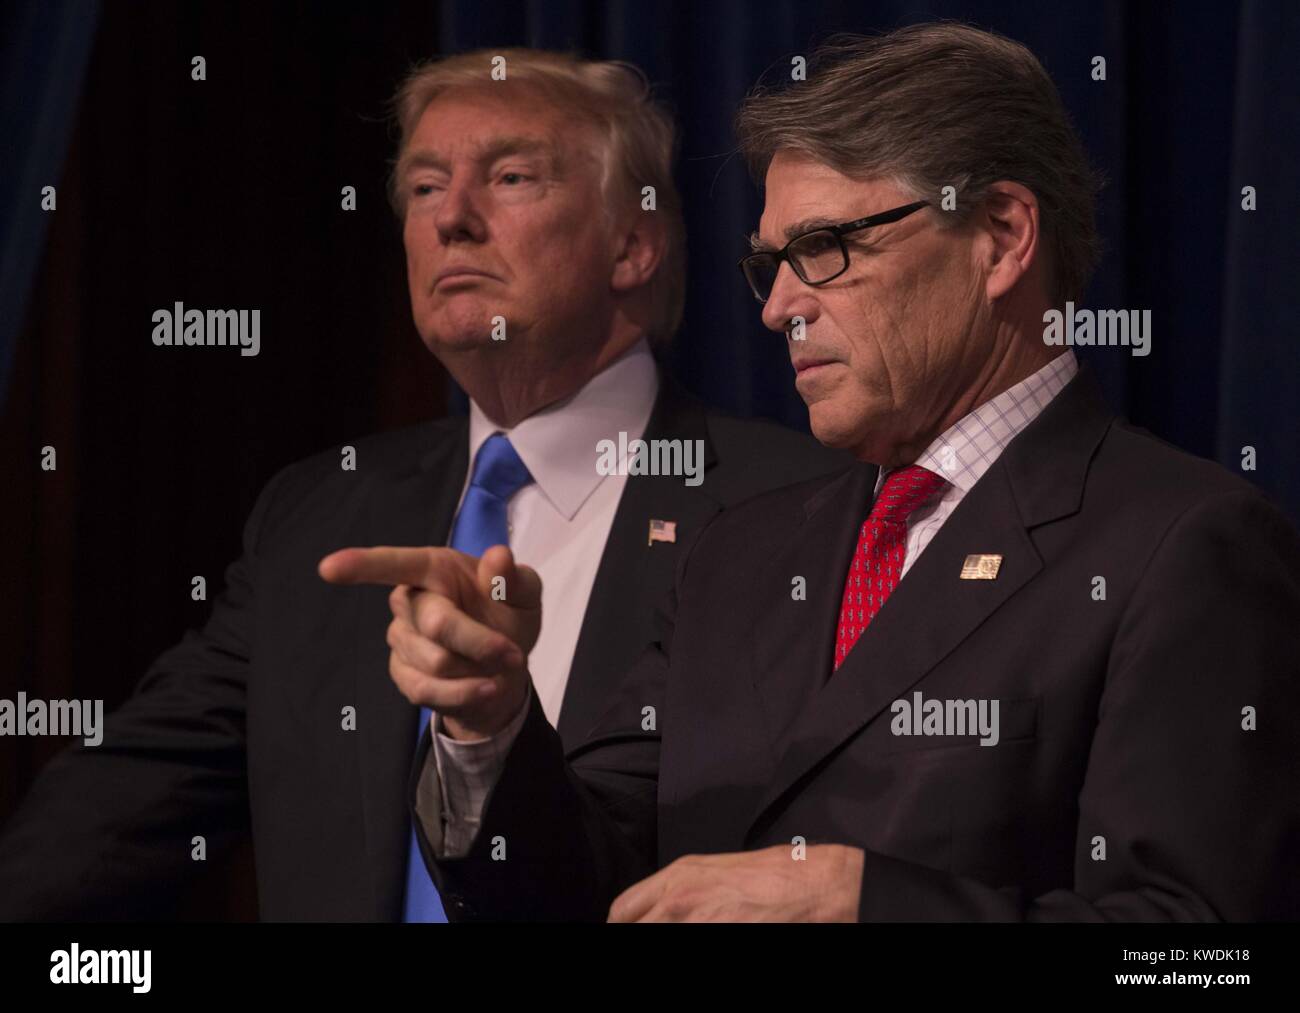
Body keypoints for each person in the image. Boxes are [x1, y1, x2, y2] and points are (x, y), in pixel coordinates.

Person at [343, 24, 1300, 921]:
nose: (779, 308)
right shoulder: (740, 552)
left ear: (1002, 236)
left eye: (826, 248)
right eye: (773, 264)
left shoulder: (1183, 544)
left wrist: (861, 899)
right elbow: (580, 881)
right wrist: (490, 722)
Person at [0, 49, 846, 921]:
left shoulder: (801, 505)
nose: (453, 220)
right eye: (426, 187)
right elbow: (120, 805)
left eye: (510, 176)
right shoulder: (321, 514)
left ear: (631, 243)